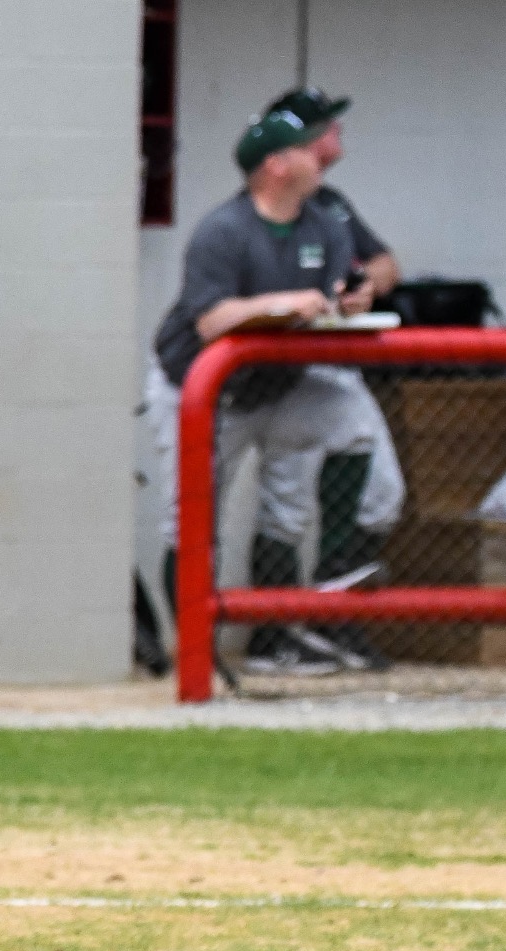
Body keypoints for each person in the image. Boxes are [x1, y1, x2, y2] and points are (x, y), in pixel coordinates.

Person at [146, 107, 382, 676]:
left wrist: (353, 299)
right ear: (274, 166)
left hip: (278, 387)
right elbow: (210, 320)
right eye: (304, 148)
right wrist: (281, 304)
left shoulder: (325, 223)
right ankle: (195, 652)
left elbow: (340, 286)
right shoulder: (224, 228)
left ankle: (320, 586)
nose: (319, 154)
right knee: (192, 520)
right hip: (197, 392)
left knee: (352, 424)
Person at [253, 86, 408, 672]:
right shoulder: (262, 208)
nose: (335, 138)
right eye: (325, 129)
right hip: (283, 374)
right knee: (285, 510)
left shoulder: (331, 205)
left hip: (334, 370)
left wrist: (362, 286)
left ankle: (327, 614)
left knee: (381, 495)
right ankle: (275, 638)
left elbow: (387, 265)